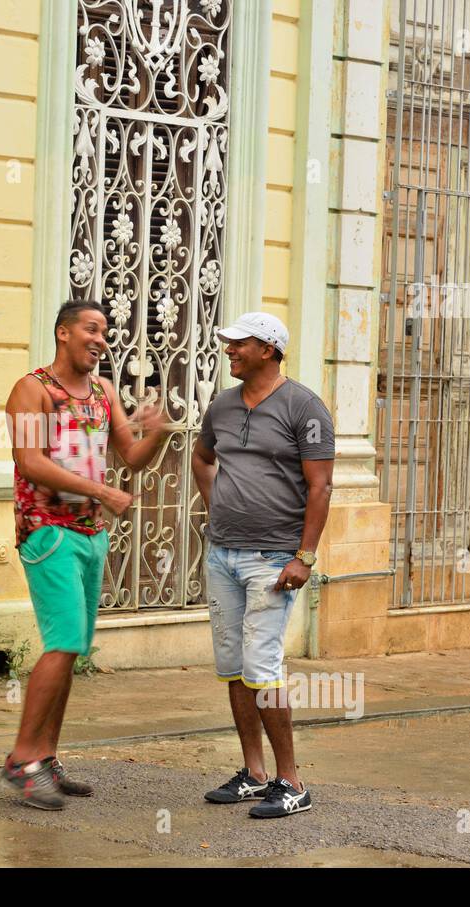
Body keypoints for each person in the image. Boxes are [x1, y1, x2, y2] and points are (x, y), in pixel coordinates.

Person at [1, 299, 169, 809]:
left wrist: (156, 431)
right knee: (65, 641)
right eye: (91, 329)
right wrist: (100, 492)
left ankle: (46, 759)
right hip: (47, 531)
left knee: (72, 649)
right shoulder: (32, 389)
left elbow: (132, 458)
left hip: (91, 535)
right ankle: (22, 761)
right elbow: (28, 462)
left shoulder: (103, 392)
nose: (100, 339)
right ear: (63, 333)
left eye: (105, 331)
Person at [191, 311, 334, 818]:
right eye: (228, 343)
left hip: (274, 560)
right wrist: (219, 507)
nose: (229, 350)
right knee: (233, 667)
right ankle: (254, 774)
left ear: (269, 349)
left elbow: (320, 486)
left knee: (262, 666)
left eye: (239, 344)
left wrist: (305, 556)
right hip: (223, 554)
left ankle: (291, 782)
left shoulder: (304, 407)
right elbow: (203, 459)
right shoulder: (223, 407)